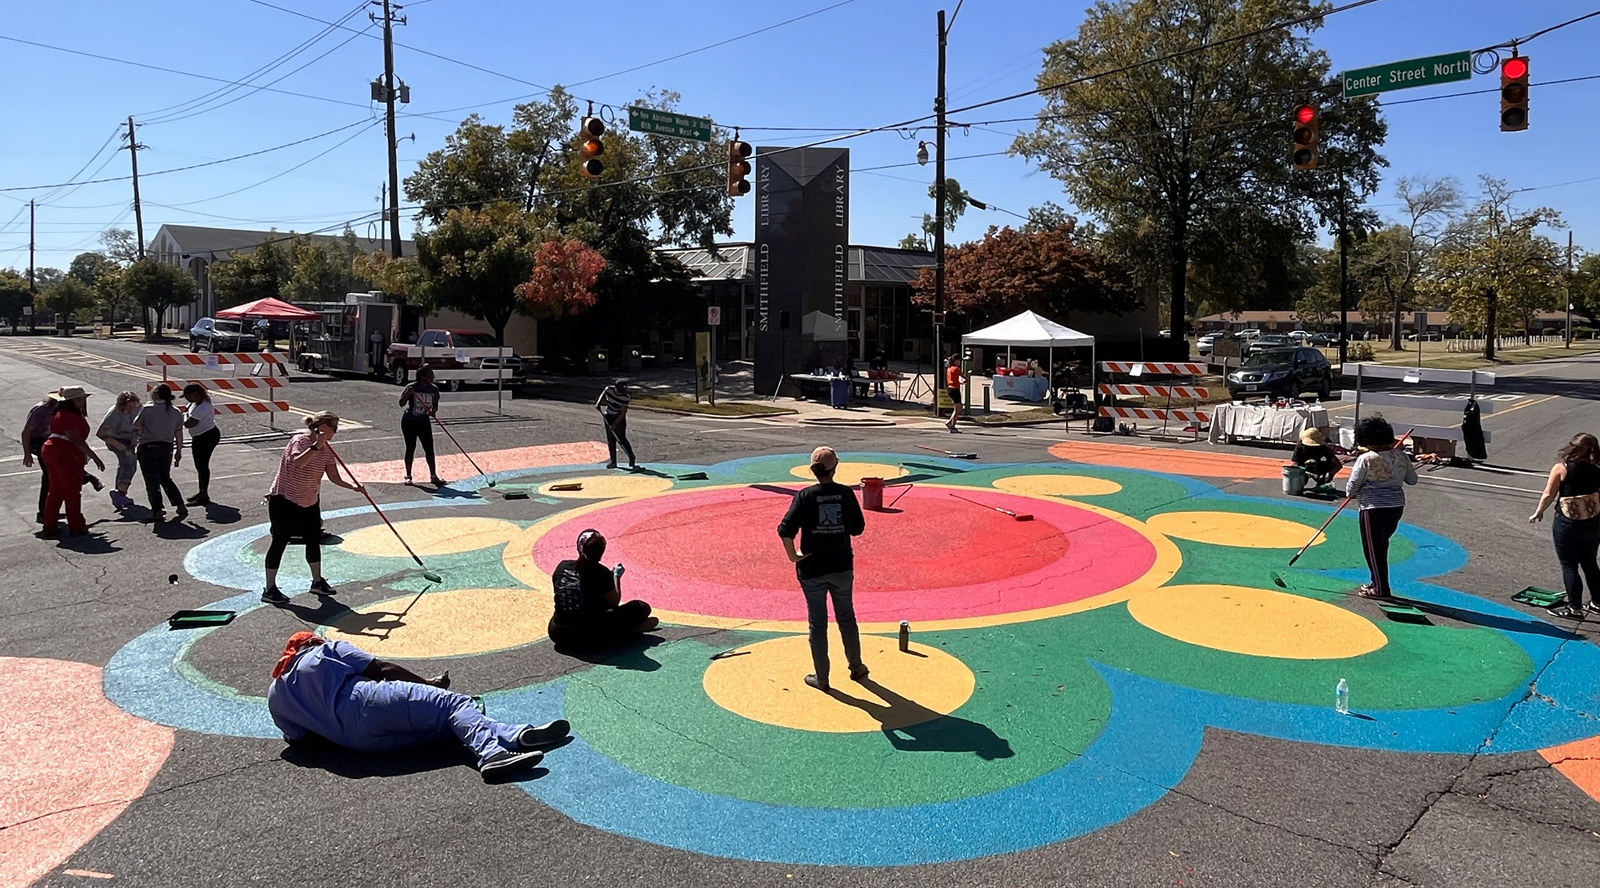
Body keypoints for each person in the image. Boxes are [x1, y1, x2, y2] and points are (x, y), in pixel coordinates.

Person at [267, 632, 569, 782]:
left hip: (358, 743)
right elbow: (382, 669)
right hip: (367, 701)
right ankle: (492, 755)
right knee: (454, 704)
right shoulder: (326, 650)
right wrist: (428, 684)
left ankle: (515, 735)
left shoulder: (276, 693)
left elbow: (300, 738)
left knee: (447, 724)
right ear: (310, 644)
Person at [777, 446, 868, 691]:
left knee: (817, 623)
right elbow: (858, 528)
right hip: (841, 566)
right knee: (846, 618)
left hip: (812, 569)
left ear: (813, 470)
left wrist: (793, 556)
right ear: (834, 468)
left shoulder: (805, 496)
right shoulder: (845, 494)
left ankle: (822, 678)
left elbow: (784, 530)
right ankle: (856, 666)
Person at [261, 412, 362, 604]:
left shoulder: (327, 450)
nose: (336, 432)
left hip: (309, 501)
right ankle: (269, 588)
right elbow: (298, 462)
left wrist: (353, 487)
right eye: (334, 428)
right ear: (323, 427)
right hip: (285, 499)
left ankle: (317, 581)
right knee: (280, 541)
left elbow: (334, 476)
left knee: (313, 540)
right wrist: (316, 446)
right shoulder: (299, 441)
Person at [1528, 432, 1600, 619]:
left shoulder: (1562, 468)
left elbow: (1548, 493)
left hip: (1568, 521)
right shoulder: (1597, 468)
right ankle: (1597, 602)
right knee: (1590, 563)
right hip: (1592, 521)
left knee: (1569, 565)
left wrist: (1539, 511)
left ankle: (1575, 608)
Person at [547, 530, 658, 650]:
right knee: (641, 607)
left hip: (558, 633)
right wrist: (616, 576)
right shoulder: (601, 573)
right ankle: (625, 631)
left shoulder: (562, 566)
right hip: (590, 636)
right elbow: (614, 603)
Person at [1346, 417, 1417, 599]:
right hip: (1395, 506)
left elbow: (1353, 485)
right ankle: (1377, 582)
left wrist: (1352, 494)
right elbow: (1412, 480)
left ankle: (1381, 588)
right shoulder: (1401, 456)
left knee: (1373, 549)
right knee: (1381, 545)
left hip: (1373, 507)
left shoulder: (1365, 459)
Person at [39, 387, 106, 537]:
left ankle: (50, 525)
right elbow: (76, 440)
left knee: (56, 490)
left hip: (55, 450)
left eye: (82, 398)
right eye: (78, 399)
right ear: (69, 401)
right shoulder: (68, 416)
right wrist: (95, 457)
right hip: (64, 453)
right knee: (71, 491)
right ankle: (76, 526)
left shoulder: (62, 413)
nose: (82, 401)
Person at [133, 384, 187, 523]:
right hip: (166, 447)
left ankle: (157, 510)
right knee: (165, 477)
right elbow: (178, 433)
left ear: (156, 394)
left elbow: (136, 424)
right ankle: (179, 504)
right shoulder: (175, 411)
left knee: (152, 480)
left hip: (148, 446)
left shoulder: (147, 409)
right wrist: (179, 450)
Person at [398, 366, 445, 486]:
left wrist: (433, 411)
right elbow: (401, 403)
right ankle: (408, 476)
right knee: (410, 447)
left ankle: (433, 476)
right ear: (422, 377)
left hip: (423, 421)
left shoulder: (434, 389)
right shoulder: (412, 387)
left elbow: (435, 406)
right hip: (409, 421)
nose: (432, 379)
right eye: (430, 376)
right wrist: (408, 394)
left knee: (429, 449)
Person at [96, 391, 141, 511]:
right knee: (129, 463)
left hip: (129, 438)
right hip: (116, 439)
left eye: (134, 406)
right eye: (129, 406)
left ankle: (120, 493)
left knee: (127, 464)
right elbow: (101, 433)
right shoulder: (114, 414)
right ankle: (120, 493)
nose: (132, 409)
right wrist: (120, 446)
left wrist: (135, 438)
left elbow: (139, 425)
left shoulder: (137, 408)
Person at [182, 384, 221, 506]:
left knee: (202, 465)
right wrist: (185, 414)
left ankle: (203, 494)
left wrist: (182, 418)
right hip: (199, 436)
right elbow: (186, 411)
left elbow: (189, 424)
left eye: (188, 396)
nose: (187, 399)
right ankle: (201, 492)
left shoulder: (203, 407)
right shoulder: (194, 403)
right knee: (199, 465)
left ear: (195, 395)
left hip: (206, 436)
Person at [596, 379, 637, 469]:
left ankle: (631, 456)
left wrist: (615, 424)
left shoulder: (625, 397)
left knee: (621, 438)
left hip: (619, 418)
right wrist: (598, 403)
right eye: (619, 391)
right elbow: (603, 394)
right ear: (615, 388)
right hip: (608, 416)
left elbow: (622, 413)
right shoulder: (609, 389)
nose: (620, 393)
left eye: (622, 391)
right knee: (611, 440)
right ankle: (613, 462)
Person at [944, 356, 965, 433]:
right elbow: (963, 376)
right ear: (955, 361)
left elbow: (953, 379)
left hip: (950, 389)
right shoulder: (956, 369)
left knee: (958, 407)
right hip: (955, 390)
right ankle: (952, 425)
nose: (959, 362)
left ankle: (950, 423)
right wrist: (967, 378)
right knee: (958, 409)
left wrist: (960, 383)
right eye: (958, 360)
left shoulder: (949, 368)